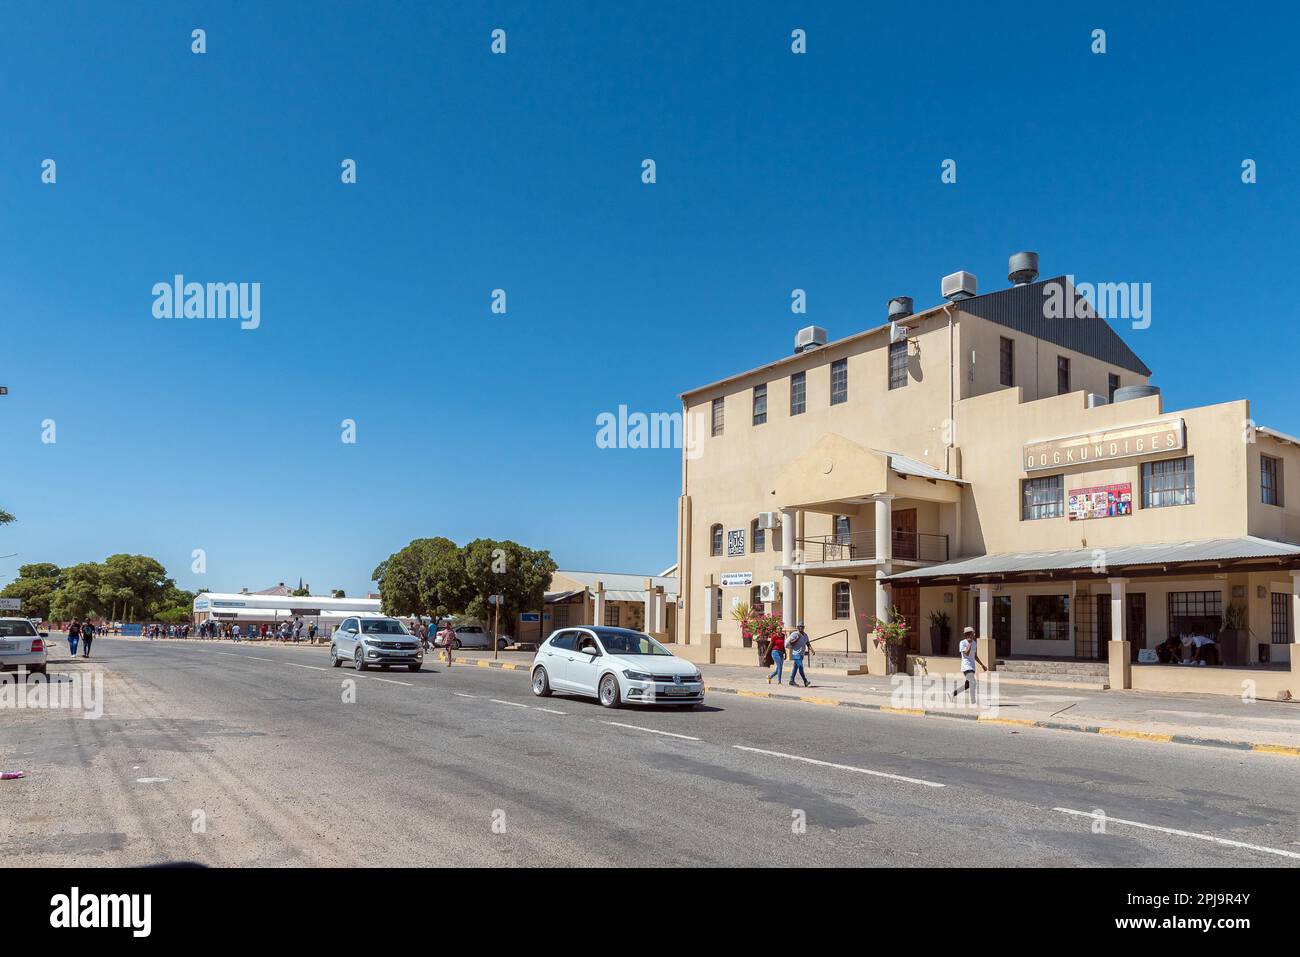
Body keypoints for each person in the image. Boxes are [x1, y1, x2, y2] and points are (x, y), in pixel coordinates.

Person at [951, 626, 985, 702]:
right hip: (966, 666)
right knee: (973, 682)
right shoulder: (962, 643)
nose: (974, 634)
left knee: (967, 685)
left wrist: (982, 665)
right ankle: (973, 701)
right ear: (968, 634)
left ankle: (953, 694)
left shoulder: (974, 643)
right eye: (973, 633)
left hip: (972, 667)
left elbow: (975, 656)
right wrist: (969, 644)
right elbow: (966, 653)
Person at [786, 622, 811, 687]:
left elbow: (808, 643)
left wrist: (812, 650)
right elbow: (791, 643)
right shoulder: (795, 634)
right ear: (797, 627)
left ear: (804, 627)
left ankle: (791, 681)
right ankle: (805, 681)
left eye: (802, 627)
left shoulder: (805, 635)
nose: (801, 628)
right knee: (800, 667)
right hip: (796, 654)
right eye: (799, 626)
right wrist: (797, 639)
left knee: (795, 667)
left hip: (801, 654)